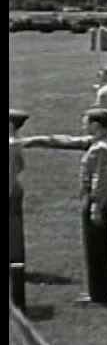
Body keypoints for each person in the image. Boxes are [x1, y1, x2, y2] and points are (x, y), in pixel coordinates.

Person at [21, 108, 107, 304]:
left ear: (96, 125)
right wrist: (37, 140)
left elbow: (100, 179)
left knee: (95, 245)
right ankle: (103, 290)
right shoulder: (101, 141)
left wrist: (95, 207)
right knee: (98, 244)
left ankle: (98, 294)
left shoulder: (100, 148)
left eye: (86, 121)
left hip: (98, 198)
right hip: (100, 197)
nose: (83, 124)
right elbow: (69, 141)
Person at [9, 109, 30, 265]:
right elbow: (21, 166)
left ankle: (14, 260)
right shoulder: (16, 141)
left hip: (10, 187)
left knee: (13, 226)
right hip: (15, 185)